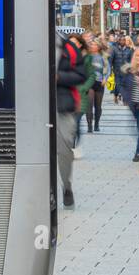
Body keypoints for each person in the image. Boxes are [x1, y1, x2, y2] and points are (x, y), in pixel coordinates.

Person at [55, 31, 85, 208]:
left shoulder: (69, 47)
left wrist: (59, 77)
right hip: (35, 105)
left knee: (65, 148)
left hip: (64, 105)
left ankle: (66, 186)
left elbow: (80, 75)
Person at [85, 35, 109, 133]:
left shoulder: (103, 57)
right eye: (92, 44)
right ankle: (89, 126)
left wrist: (105, 79)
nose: (93, 46)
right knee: (89, 105)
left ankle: (97, 124)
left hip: (99, 82)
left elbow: (108, 69)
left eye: (95, 45)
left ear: (98, 46)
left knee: (98, 106)